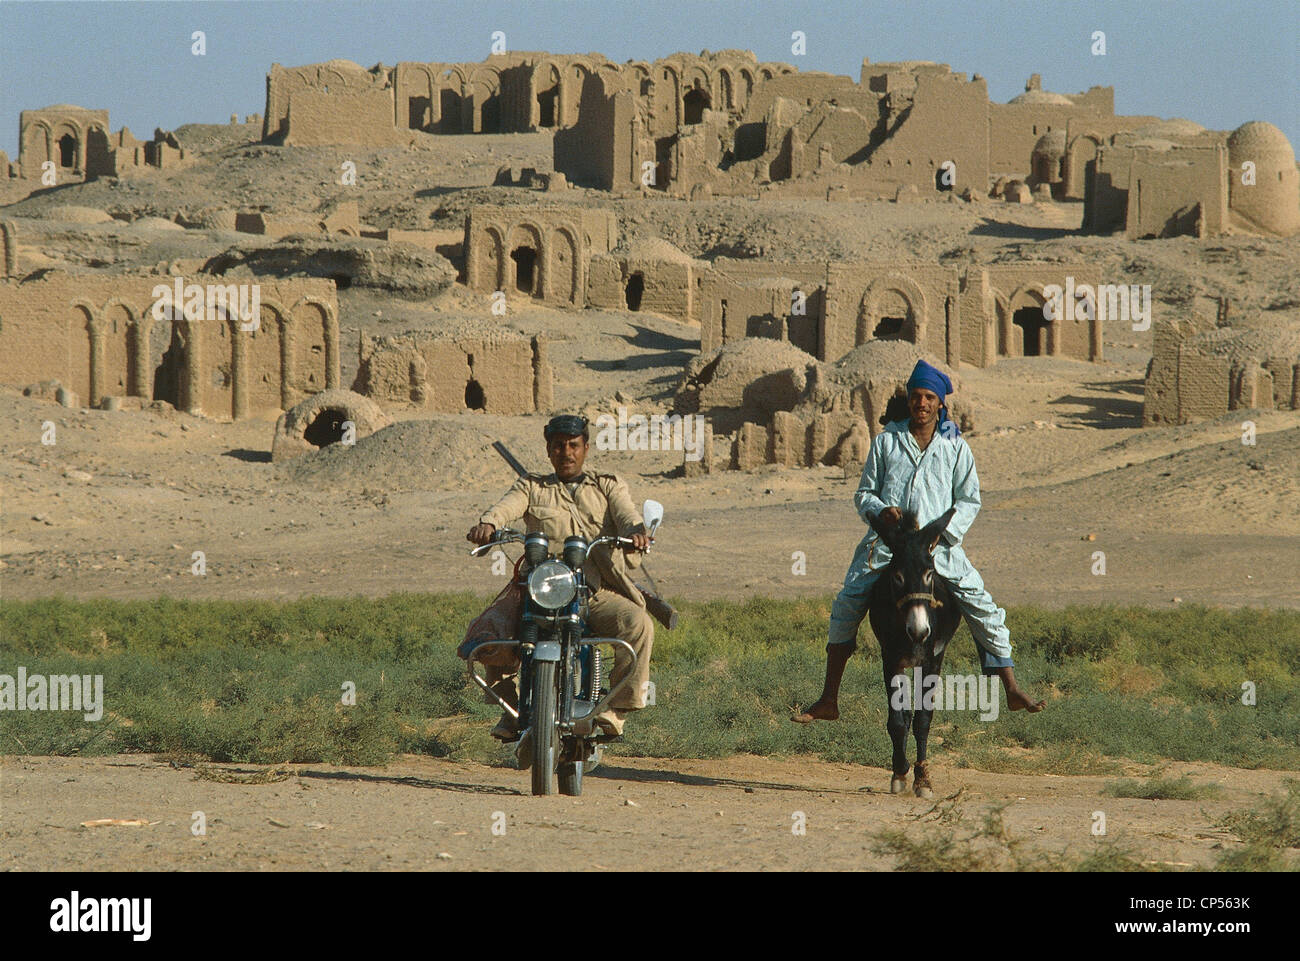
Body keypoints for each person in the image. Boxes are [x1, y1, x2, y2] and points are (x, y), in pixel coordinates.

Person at [793, 359, 1045, 723]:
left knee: (983, 606)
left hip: (936, 549)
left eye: (929, 397)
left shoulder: (954, 444)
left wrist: (944, 534)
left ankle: (1010, 688)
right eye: (916, 396)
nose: (921, 403)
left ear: (940, 403)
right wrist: (882, 511)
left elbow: (969, 499)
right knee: (848, 602)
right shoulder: (887, 441)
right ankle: (829, 698)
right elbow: (864, 494)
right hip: (888, 546)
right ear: (908, 400)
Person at [467, 414, 654, 750]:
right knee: (492, 632)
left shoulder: (607, 485)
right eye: (558, 446)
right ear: (548, 450)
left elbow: (626, 513)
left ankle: (615, 708)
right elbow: (504, 507)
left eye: (573, 445)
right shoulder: (532, 487)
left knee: (637, 623)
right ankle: (511, 708)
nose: (566, 453)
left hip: (592, 591)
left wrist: (635, 532)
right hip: (538, 590)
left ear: (585, 448)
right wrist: (488, 524)